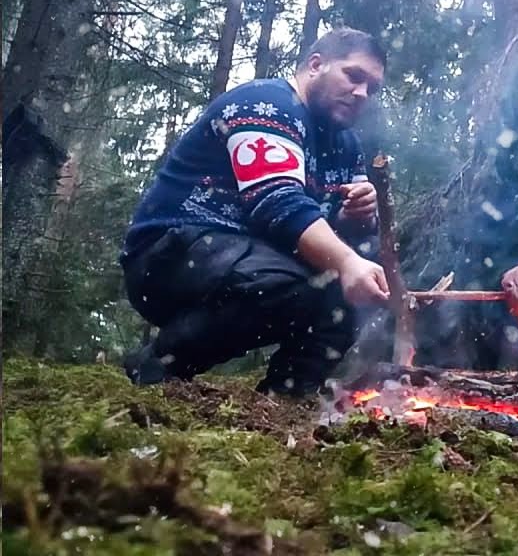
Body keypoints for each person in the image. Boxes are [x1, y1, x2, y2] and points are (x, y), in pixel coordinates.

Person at [119, 28, 392, 396]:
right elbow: (276, 203)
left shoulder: (345, 144)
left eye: (371, 88)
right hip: (168, 255)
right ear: (316, 64)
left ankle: (289, 394)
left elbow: (340, 238)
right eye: (353, 76)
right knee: (299, 279)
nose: (361, 93)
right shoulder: (267, 103)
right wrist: (345, 262)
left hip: (250, 260)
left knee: (362, 283)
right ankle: (156, 369)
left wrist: (356, 217)